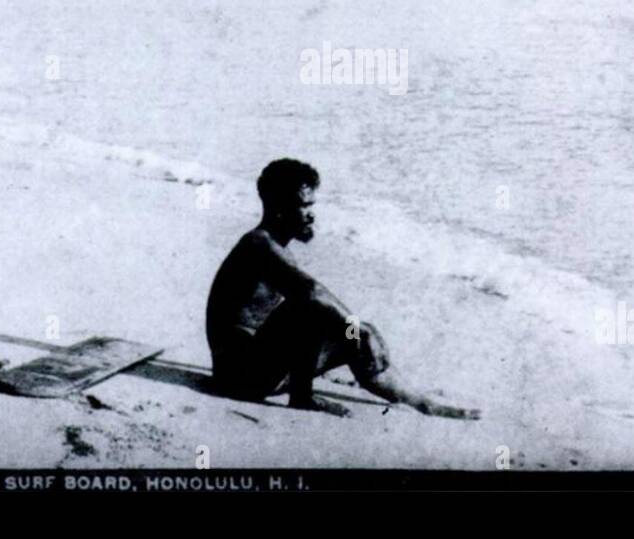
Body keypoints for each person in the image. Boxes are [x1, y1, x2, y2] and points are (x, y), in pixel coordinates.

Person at [205, 158, 480, 419]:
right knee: (317, 311)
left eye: (312, 205)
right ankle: (302, 398)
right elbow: (311, 293)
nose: (311, 215)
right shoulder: (258, 244)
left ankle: (417, 400)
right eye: (304, 206)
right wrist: (356, 327)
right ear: (279, 207)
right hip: (238, 377)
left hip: (259, 372)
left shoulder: (274, 246)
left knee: (355, 336)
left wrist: (358, 331)